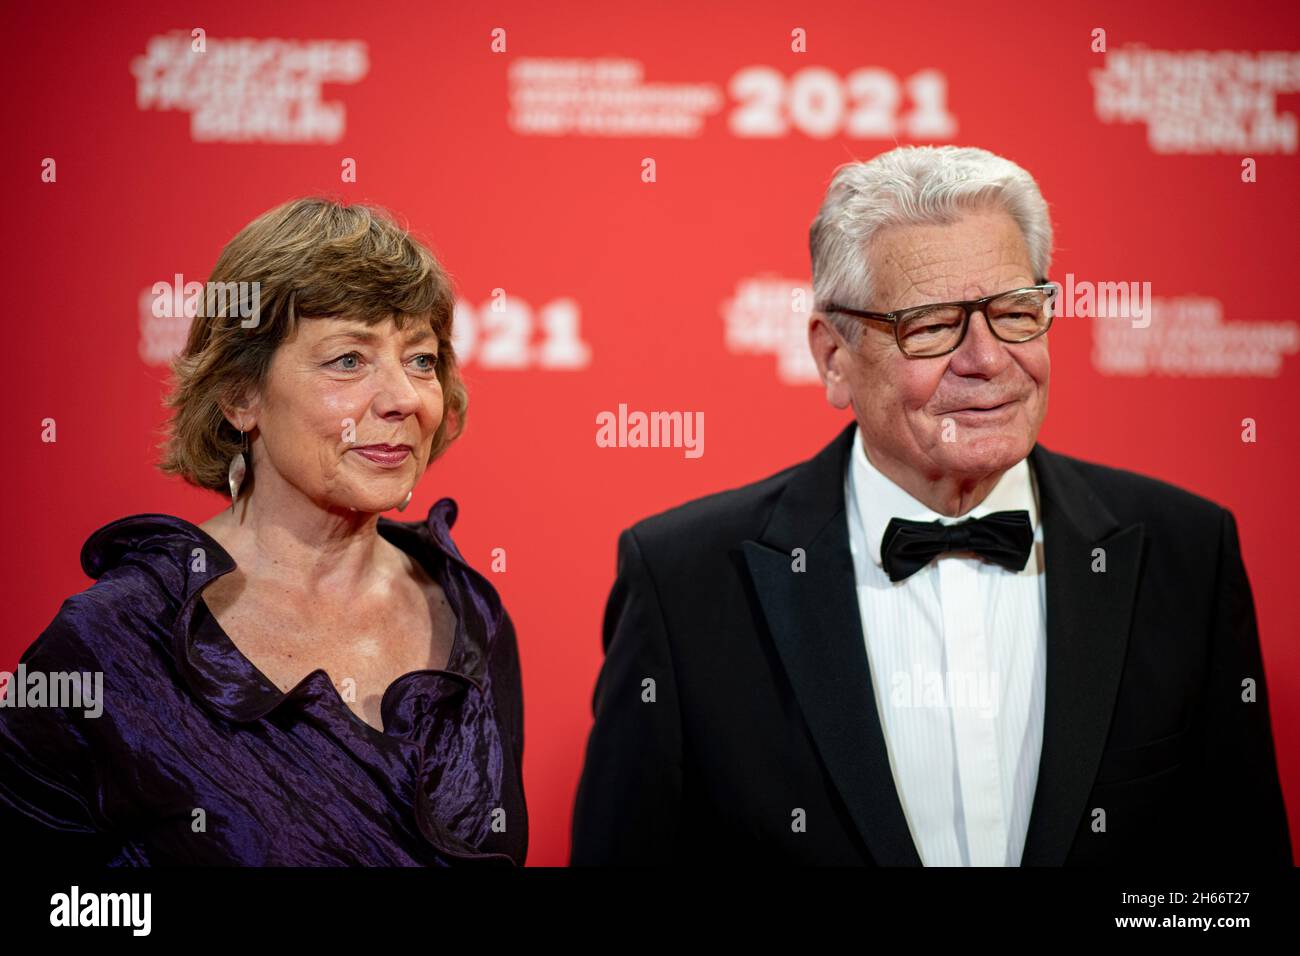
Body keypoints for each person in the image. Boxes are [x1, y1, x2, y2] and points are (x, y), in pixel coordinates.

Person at [570, 145, 1291, 866]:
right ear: (832, 356)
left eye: (1015, 312)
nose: (986, 359)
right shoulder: (684, 583)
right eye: (931, 324)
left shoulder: (1186, 553)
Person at [0, 198, 526, 865]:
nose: (404, 397)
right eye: (348, 361)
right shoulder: (112, 644)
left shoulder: (472, 614)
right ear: (240, 396)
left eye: (420, 360)